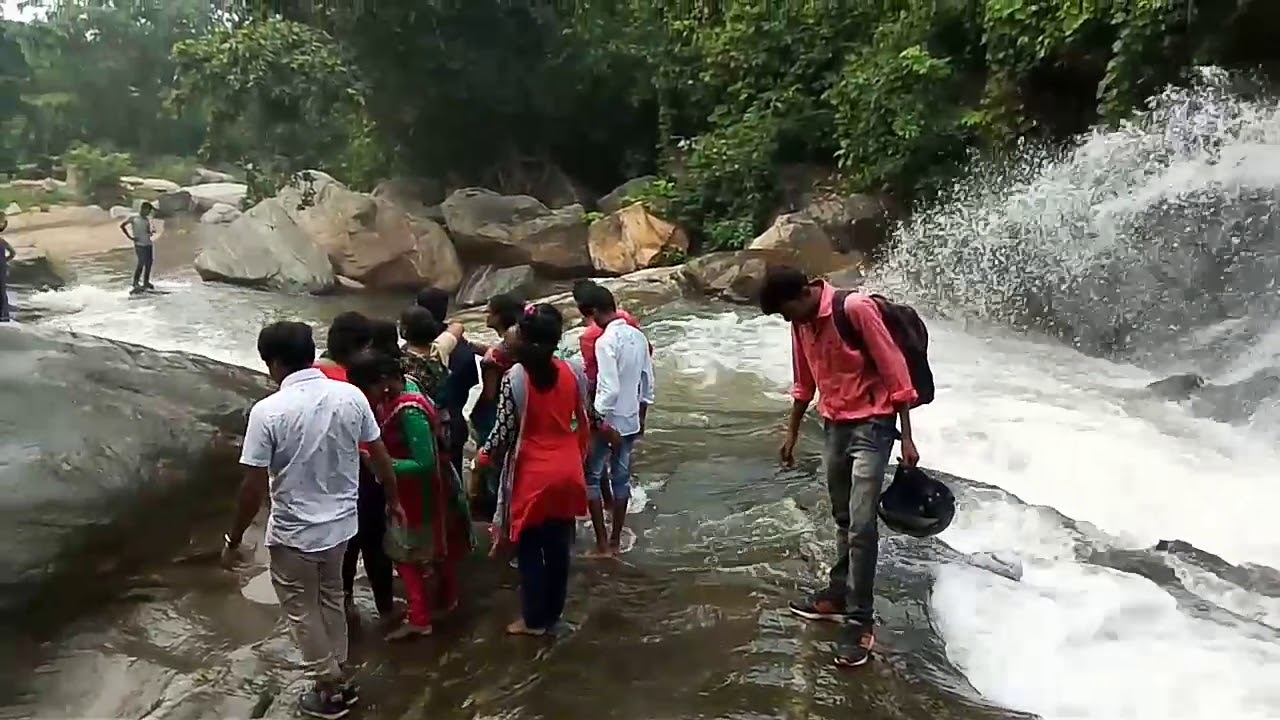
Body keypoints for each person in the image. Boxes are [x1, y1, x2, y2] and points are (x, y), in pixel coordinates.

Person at [220, 321, 406, 720]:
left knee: (303, 610)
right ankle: (337, 672)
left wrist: (233, 538)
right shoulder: (350, 396)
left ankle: (330, 688)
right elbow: (378, 456)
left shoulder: (268, 412)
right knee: (331, 599)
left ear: (276, 363)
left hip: (294, 533)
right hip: (341, 526)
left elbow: (252, 488)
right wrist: (392, 499)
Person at [757, 265, 920, 669]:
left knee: (864, 524)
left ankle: (860, 623)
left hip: (874, 426)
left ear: (802, 293)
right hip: (834, 425)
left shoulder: (857, 309)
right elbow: (804, 382)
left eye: (786, 311)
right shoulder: (800, 323)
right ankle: (837, 592)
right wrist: (791, 432)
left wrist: (909, 437)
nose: (787, 320)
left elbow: (896, 372)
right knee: (844, 516)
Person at [474, 304, 591, 636]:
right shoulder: (574, 371)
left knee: (528, 548)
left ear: (523, 338)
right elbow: (588, 416)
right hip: (569, 471)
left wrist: (482, 458)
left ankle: (532, 620)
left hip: (533, 475)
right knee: (558, 549)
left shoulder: (516, 378)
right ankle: (552, 615)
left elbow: (504, 433)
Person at [346, 350, 474, 640]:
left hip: (422, 491)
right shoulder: (408, 388)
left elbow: (424, 463)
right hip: (422, 488)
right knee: (438, 548)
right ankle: (446, 599)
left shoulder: (409, 411)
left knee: (402, 552)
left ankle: (420, 617)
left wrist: (380, 462)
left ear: (383, 383)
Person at [583, 284, 654, 558]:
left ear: (593, 312)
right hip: (630, 419)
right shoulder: (637, 336)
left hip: (608, 422)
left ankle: (602, 546)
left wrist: (598, 420)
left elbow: (608, 388)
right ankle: (615, 541)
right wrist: (641, 418)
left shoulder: (604, 341)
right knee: (621, 477)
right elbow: (648, 383)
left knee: (592, 476)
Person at [414, 289, 479, 479]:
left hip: (421, 425)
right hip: (455, 420)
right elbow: (470, 383)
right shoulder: (462, 347)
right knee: (454, 480)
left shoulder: (411, 353)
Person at [572, 280, 650, 392]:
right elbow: (647, 351)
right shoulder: (625, 317)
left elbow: (592, 375)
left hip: (610, 394)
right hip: (635, 383)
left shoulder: (590, 337)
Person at [120, 202, 156, 293]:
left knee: (149, 263)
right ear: (143, 209)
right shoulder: (134, 217)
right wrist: (130, 237)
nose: (148, 213)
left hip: (148, 243)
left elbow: (147, 231)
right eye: (148, 211)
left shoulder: (147, 220)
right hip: (139, 244)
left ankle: (146, 282)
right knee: (141, 262)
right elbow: (122, 226)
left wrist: (151, 232)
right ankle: (135, 282)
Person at [0, 211, 13, 322]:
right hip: (2, 268)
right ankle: (4, 316)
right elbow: (13, 253)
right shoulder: (2, 241)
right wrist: (5, 261)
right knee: (2, 291)